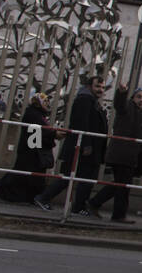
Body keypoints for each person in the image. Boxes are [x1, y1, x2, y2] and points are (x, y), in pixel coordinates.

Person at [35, 73, 108, 214]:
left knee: (79, 177)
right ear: (89, 86)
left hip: (87, 146)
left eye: (103, 87)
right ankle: (48, 198)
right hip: (82, 147)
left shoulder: (90, 100)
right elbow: (82, 124)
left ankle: (75, 206)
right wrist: (86, 145)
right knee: (75, 177)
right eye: (97, 86)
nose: (100, 90)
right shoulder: (85, 100)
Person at [88, 84, 142, 222]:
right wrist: (122, 93)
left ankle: (97, 204)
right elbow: (120, 104)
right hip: (122, 153)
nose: (141, 100)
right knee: (122, 185)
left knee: (120, 184)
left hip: (132, 155)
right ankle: (115, 213)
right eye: (138, 97)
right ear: (133, 98)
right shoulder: (128, 108)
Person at [0, 92, 61, 204]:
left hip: (33, 149)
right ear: (38, 103)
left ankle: (12, 194)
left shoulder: (37, 114)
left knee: (24, 175)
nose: (48, 104)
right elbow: (42, 130)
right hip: (31, 151)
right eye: (45, 101)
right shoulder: (34, 115)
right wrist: (54, 134)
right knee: (22, 174)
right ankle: (0, 190)